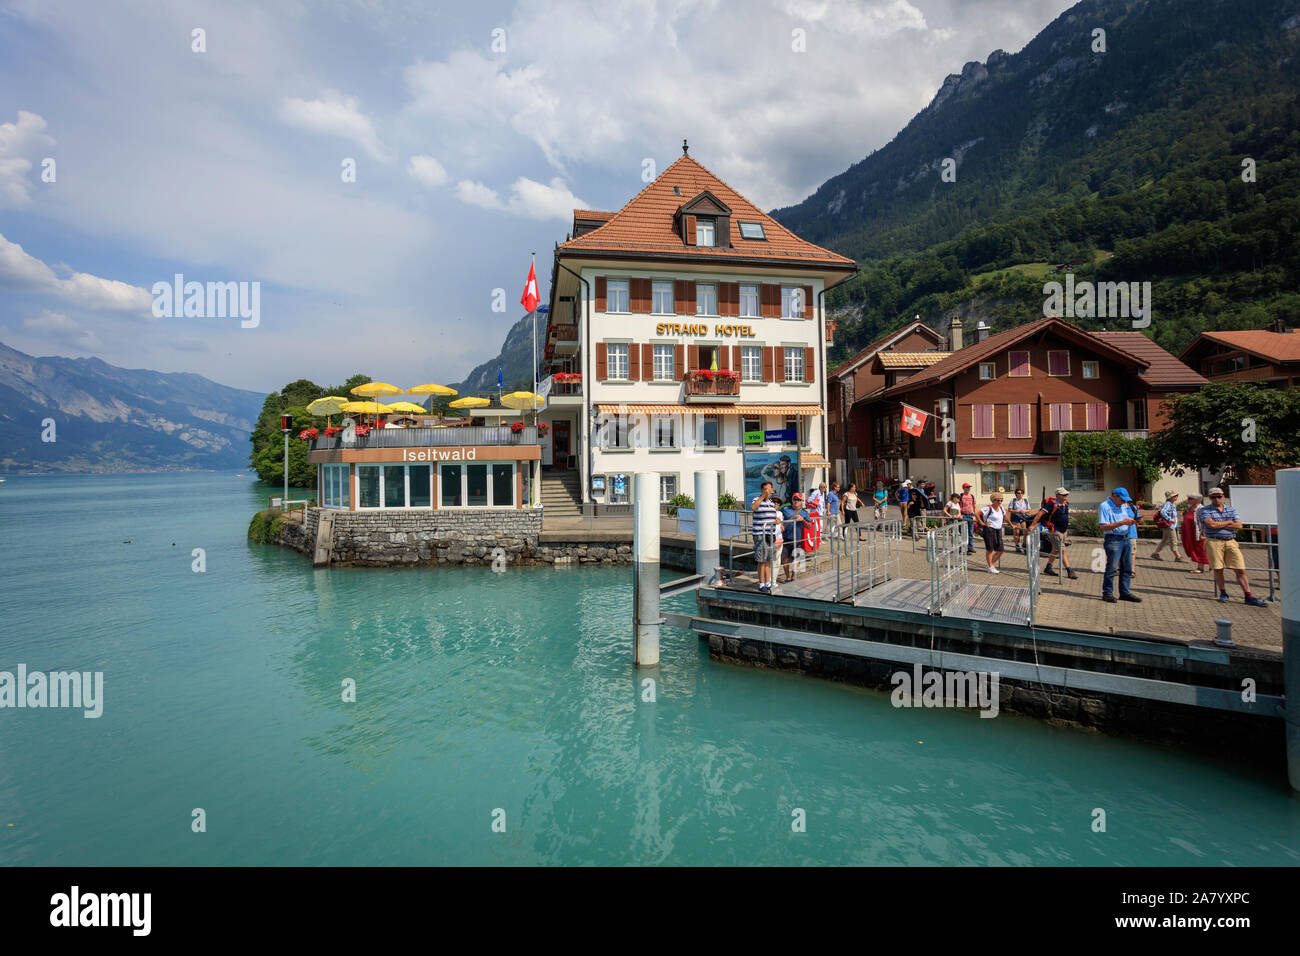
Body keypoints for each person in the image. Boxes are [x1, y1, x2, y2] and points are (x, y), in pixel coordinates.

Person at [1199, 488, 1268, 606]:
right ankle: (1223, 592)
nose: (1216, 499)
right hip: (1214, 541)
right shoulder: (1205, 510)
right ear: (1209, 498)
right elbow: (1211, 525)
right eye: (1213, 497)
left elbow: (1239, 525)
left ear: (1223, 496)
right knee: (1218, 568)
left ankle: (1248, 595)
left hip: (1231, 541)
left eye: (1218, 496)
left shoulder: (1231, 509)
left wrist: (1221, 524)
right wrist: (1229, 523)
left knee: (1240, 569)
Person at [1098, 487, 1141, 603]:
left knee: (1127, 568)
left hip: (1126, 538)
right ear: (1115, 496)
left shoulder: (1123, 505)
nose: (1124, 502)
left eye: (1125, 500)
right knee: (1112, 568)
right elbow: (1103, 527)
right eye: (1122, 500)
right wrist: (1122, 523)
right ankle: (1107, 593)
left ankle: (1124, 592)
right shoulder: (1104, 506)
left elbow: (1124, 520)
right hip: (1113, 539)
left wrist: (1131, 522)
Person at [1029, 487, 1078, 579]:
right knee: (1062, 550)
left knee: (1055, 550)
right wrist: (1032, 525)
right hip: (1054, 531)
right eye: (1063, 495)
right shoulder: (1051, 504)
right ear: (1057, 495)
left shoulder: (1065, 504)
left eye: (1066, 494)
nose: (1066, 496)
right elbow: (1040, 513)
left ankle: (1048, 567)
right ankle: (1069, 570)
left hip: (1063, 531)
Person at [750, 481, 779, 594]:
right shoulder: (757, 499)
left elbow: (772, 517)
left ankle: (768, 582)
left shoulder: (772, 503)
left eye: (770, 489)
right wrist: (763, 496)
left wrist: (776, 520)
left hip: (770, 535)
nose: (769, 491)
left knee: (768, 560)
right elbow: (753, 507)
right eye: (767, 489)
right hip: (760, 534)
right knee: (761, 560)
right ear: (762, 490)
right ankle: (761, 584)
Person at [779, 493, 810, 582]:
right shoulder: (785, 509)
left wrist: (802, 520)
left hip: (797, 539)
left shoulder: (804, 513)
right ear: (792, 500)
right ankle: (787, 577)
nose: (796, 501)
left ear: (801, 501)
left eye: (798, 500)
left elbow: (809, 526)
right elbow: (776, 514)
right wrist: (780, 524)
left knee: (797, 559)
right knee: (785, 558)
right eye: (794, 499)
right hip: (785, 537)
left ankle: (793, 576)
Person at [975, 492, 1007, 573]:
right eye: (998, 500)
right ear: (993, 500)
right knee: (990, 549)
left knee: (1000, 550)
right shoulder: (988, 508)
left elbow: (1005, 517)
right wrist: (982, 523)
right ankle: (990, 566)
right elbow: (977, 513)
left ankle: (990, 565)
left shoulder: (1001, 508)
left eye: (1001, 500)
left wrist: (1012, 525)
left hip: (998, 530)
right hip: (989, 530)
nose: (1000, 502)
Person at [1150, 491, 1184, 562]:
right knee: (1173, 541)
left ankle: (1156, 553)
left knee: (1165, 540)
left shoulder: (1171, 504)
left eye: (1176, 495)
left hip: (1169, 525)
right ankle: (1178, 556)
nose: (1176, 497)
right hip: (1169, 526)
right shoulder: (1168, 504)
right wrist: (1169, 519)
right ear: (1171, 498)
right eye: (1175, 496)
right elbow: (1163, 512)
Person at [1181, 492, 1208, 574]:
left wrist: (1203, 533)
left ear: (1196, 500)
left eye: (1190, 498)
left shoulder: (1201, 509)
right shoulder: (1189, 508)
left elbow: (1205, 522)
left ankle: (1201, 568)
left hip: (1198, 532)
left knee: (1200, 549)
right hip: (1189, 532)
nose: (1188, 500)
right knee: (1192, 547)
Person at [1008, 488, 1031, 553]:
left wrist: (1024, 511)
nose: (1020, 494)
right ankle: (1017, 545)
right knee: (1017, 532)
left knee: (1025, 532)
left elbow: (1029, 510)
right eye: (1018, 493)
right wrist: (1017, 511)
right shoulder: (1013, 501)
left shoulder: (1026, 501)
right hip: (1015, 517)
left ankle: (1024, 544)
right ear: (1016, 494)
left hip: (1023, 517)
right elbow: (1009, 510)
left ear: (1023, 494)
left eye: (1021, 493)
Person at [958, 483, 977, 554]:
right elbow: (958, 505)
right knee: (962, 532)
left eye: (969, 487)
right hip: (963, 515)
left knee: (970, 532)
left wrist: (974, 515)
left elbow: (974, 506)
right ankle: (961, 547)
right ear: (963, 488)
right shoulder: (961, 496)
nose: (968, 489)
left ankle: (970, 547)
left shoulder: (972, 496)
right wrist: (960, 514)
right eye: (966, 487)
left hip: (970, 515)